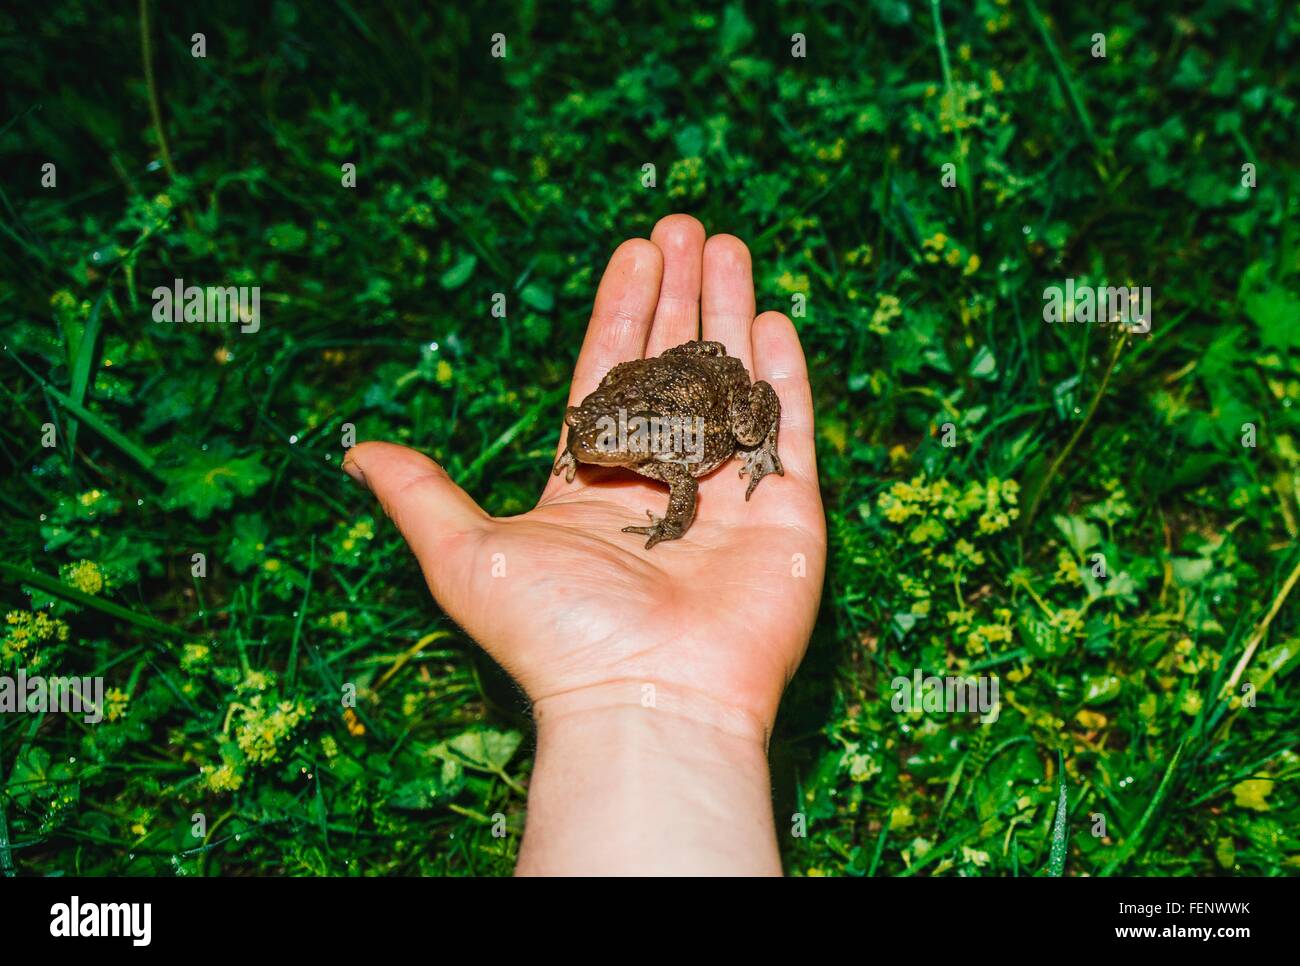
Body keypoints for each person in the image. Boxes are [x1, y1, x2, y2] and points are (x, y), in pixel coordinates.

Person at [342, 214, 827, 874]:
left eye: (599, 443)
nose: (586, 444)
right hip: (663, 381)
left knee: (747, 423)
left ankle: (762, 447)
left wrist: (673, 521)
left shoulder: (662, 455)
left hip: (703, 398)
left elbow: (683, 483)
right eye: (581, 434)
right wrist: (582, 444)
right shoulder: (602, 427)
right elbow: (587, 418)